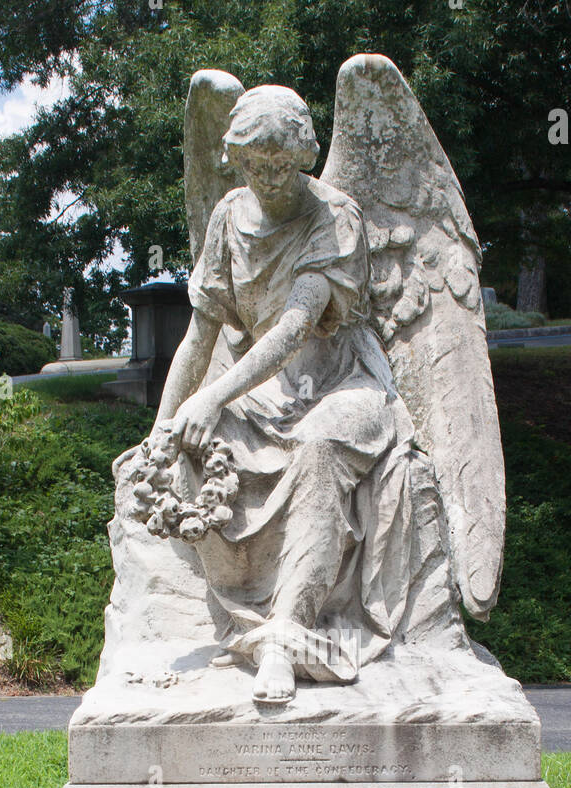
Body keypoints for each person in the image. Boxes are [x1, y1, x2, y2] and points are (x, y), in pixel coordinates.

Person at [151, 84, 418, 704]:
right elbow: (199, 334)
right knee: (193, 448)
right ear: (237, 160)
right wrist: (164, 429)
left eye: (280, 163)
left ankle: (287, 634)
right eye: (255, 164)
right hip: (261, 389)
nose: (269, 176)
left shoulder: (335, 215)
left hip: (341, 381)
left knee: (320, 445)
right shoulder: (227, 218)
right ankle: (237, 618)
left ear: (302, 155)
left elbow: (296, 327)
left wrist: (212, 396)